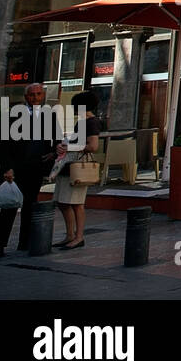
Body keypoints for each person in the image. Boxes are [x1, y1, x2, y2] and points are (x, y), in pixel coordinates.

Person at [0, 84, 60, 259]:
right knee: (9, 207)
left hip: (35, 168)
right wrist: (7, 167)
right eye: (32, 95)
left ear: (43, 95)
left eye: (38, 94)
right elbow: (1, 145)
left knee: (30, 206)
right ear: (26, 96)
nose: (35, 97)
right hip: (15, 169)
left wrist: (52, 154)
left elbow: (56, 140)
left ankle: (25, 242)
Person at [53, 91, 102, 249]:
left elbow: (93, 146)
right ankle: (70, 235)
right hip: (69, 165)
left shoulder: (91, 122)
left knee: (76, 203)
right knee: (63, 202)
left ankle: (78, 236)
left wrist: (70, 146)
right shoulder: (82, 122)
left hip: (77, 166)